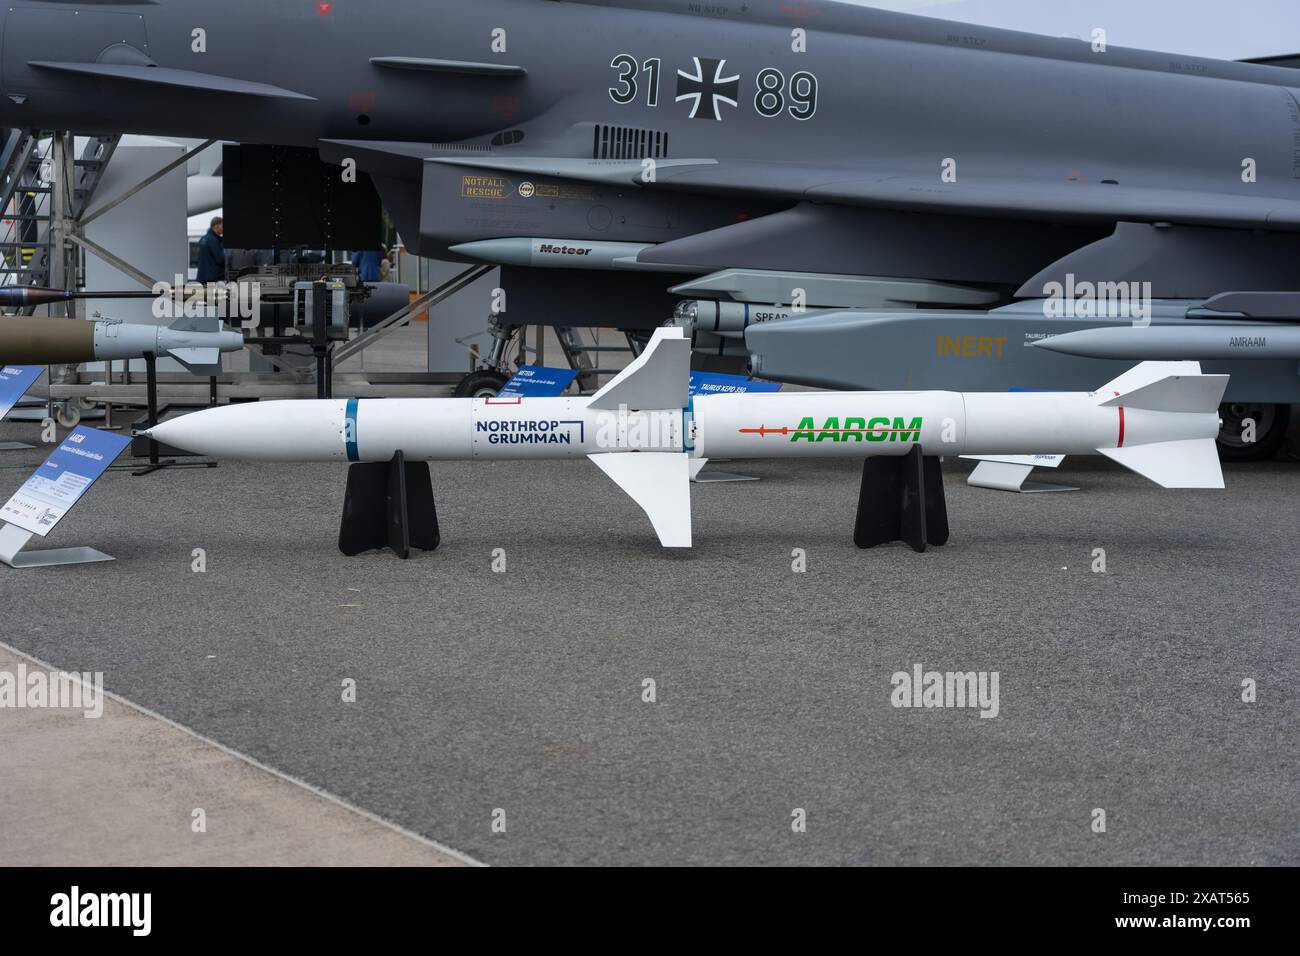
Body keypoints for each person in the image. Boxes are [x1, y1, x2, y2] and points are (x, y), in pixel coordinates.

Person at [196, 217, 225, 283]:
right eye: (222, 226)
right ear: (217, 226)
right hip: (212, 279)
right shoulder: (213, 240)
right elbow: (220, 259)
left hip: (201, 277)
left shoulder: (203, 239)